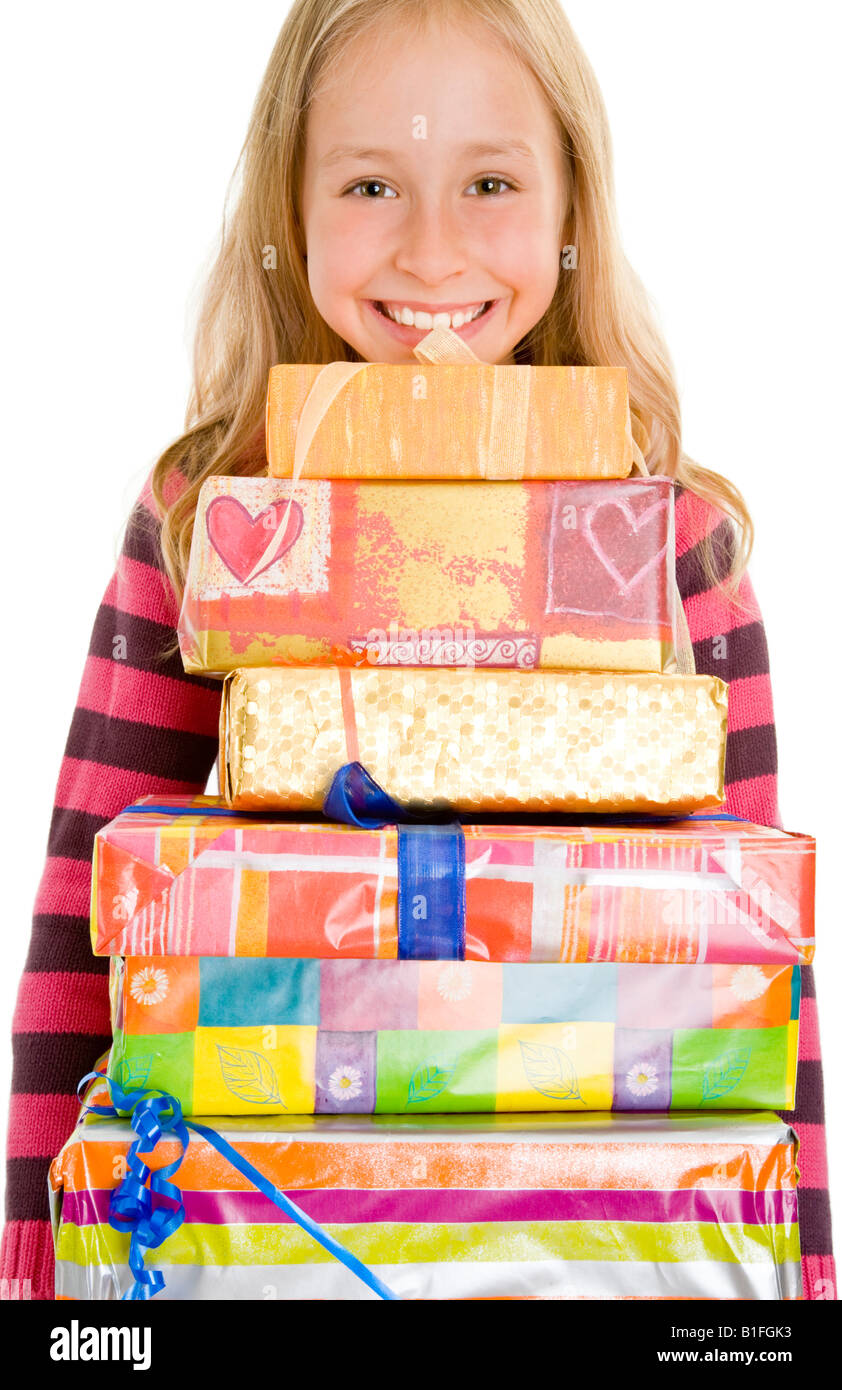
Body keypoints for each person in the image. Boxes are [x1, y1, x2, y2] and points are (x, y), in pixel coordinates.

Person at [0, 0, 833, 1301]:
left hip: (593, 1231)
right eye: (370, 182)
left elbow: (761, 962)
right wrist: (47, 1273)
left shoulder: (672, 544)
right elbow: (81, 922)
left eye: (488, 181)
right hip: (270, 1232)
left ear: (571, 213)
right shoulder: (210, 516)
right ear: (291, 209)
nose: (433, 251)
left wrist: (800, 1271)